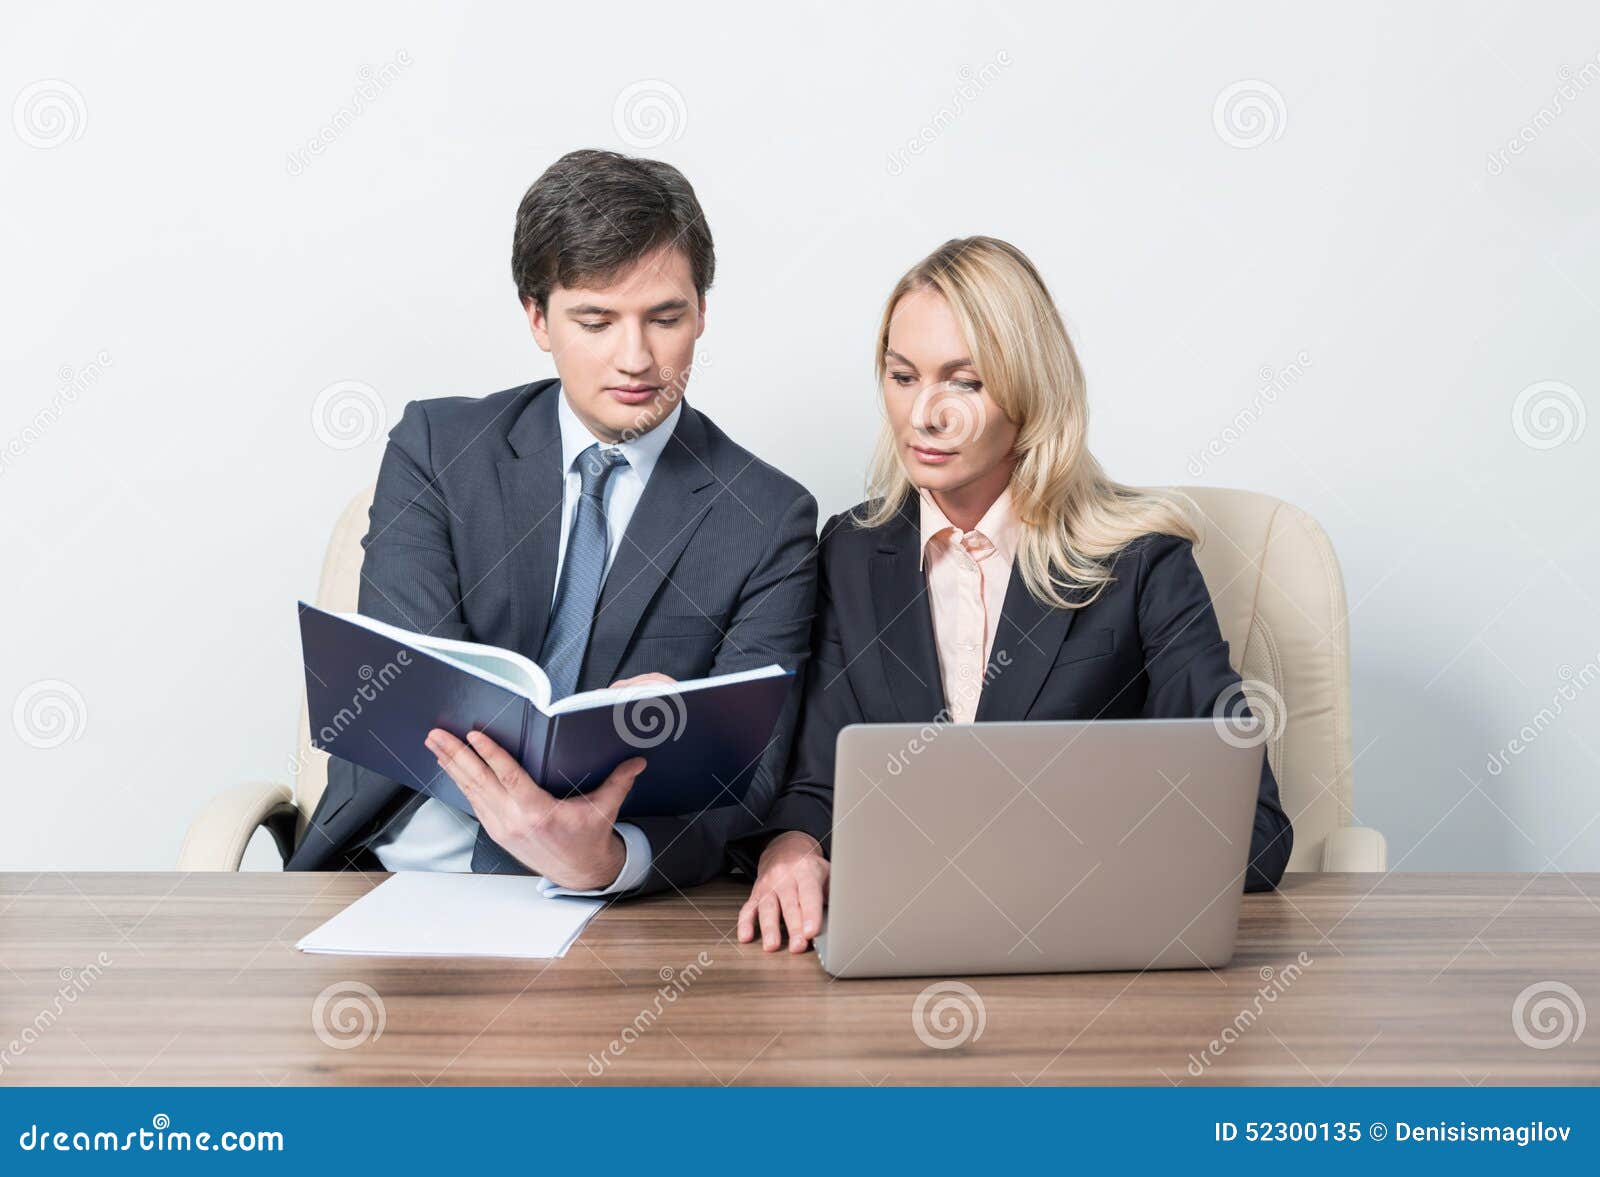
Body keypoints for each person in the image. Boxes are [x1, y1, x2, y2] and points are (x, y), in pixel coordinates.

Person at [734, 236, 1293, 951]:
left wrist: (1052, 846)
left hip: (1085, 962)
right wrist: (789, 846)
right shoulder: (849, 552)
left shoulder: (1144, 564)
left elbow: (1253, 833)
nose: (923, 414)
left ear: (1031, 392)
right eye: (902, 376)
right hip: (904, 947)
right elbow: (817, 782)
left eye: (964, 382)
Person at [286, 150, 818, 896]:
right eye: (595, 321)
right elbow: (408, 692)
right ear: (538, 318)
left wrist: (608, 860)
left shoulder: (768, 518)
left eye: (665, 318)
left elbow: (752, 782)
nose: (636, 359)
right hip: (392, 873)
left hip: (612, 901)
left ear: (701, 312)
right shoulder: (439, 451)